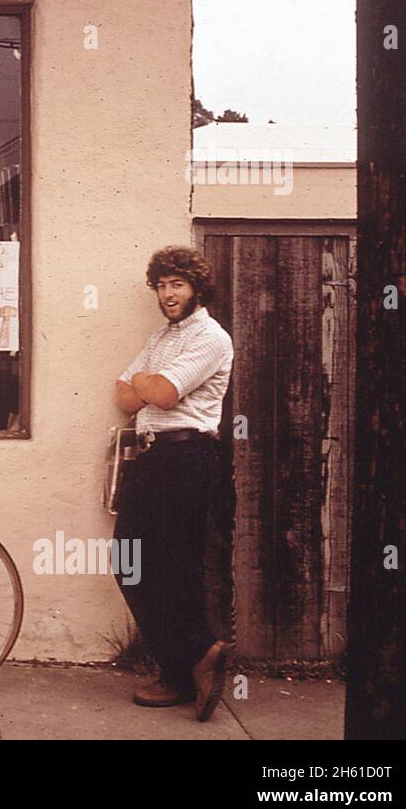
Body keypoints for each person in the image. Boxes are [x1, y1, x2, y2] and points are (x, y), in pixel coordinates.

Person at [113, 246, 234, 721]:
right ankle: (194, 659)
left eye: (177, 285)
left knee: (171, 566)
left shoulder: (211, 338)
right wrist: (148, 383)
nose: (168, 294)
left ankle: (187, 666)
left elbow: (160, 392)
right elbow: (123, 396)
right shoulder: (161, 337)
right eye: (162, 285)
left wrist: (146, 382)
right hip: (151, 455)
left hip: (186, 456)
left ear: (197, 288)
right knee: (131, 562)